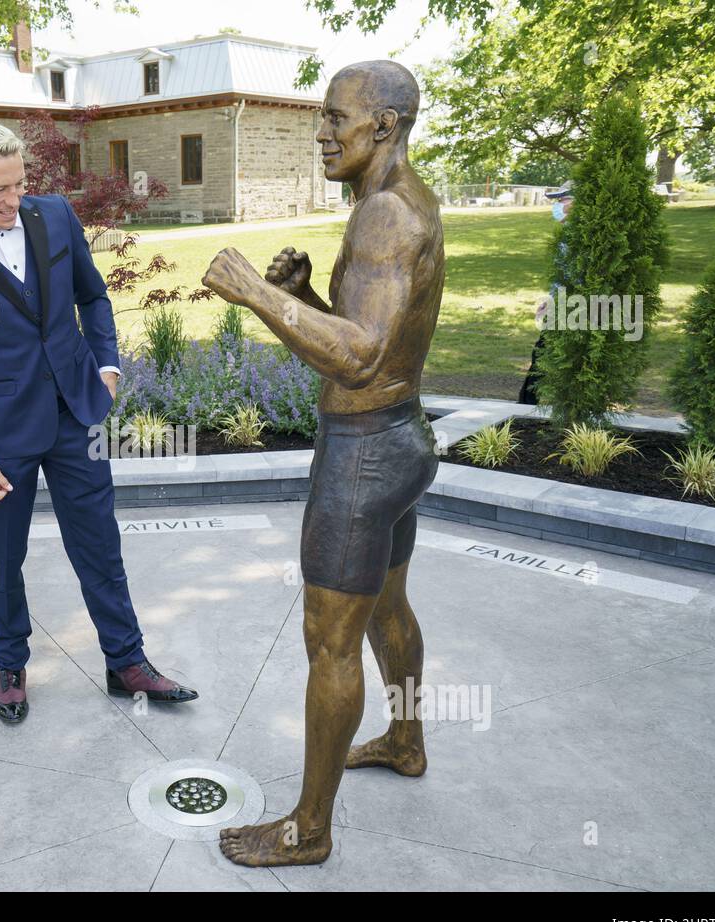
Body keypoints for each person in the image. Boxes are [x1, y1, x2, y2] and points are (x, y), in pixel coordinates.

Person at [203, 61, 443, 866]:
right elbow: (364, 338)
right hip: (403, 440)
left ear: (384, 125)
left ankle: (308, 829)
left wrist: (255, 294)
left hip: (365, 458)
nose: (321, 133)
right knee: (387, 611)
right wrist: (304, 299)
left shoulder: (382, 216)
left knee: (328, 640)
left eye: (336, 119)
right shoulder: (409, 199)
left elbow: (360, 357)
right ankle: (405, 740)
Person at [0, 119, 197, 725]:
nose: (15, 199)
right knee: (3, 555)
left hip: (77, 415)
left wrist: (108, 366)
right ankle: (10, 664)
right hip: (0, 436)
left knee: (99, 544)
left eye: (20, 183)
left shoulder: (55, 216)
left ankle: (126, 662)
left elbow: (92, 296)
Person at [518, 186, 574, 404]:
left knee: (543, 358)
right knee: (541, 357)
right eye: (556, 200)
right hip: (562, 303)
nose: (557, 205)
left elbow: (574, 276)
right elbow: (562, 274)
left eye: (563, 199)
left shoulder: (575, 234)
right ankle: (526, 407)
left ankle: (525, 409)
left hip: (573, 306)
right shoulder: (565, 232)